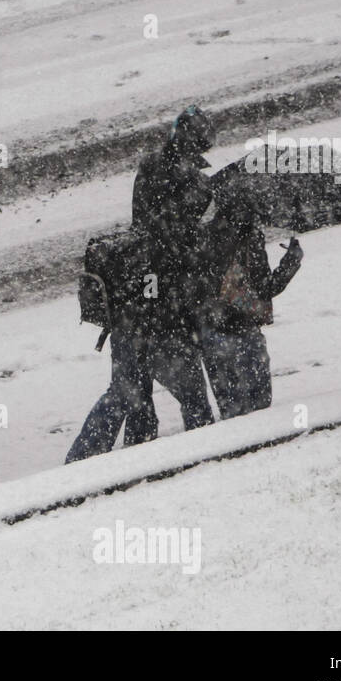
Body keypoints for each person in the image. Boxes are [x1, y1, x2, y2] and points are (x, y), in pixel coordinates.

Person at [66, 107, 217, 463]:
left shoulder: (156, 169)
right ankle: (207, 455)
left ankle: (97, 462)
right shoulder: (179, 178)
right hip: (158, 305)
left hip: (133, 302)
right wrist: (198, 207)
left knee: (130, 395)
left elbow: (155, 230)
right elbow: (171, 237)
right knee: (190, 395)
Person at [196, 195, 304, 418]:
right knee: (259, 403)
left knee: (231, 409)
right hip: (245, 328)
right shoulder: (250, 238)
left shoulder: (203, 237)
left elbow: (193, 288)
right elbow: (265, 288)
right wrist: (292, 259)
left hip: (211, 330)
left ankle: (239, 450)